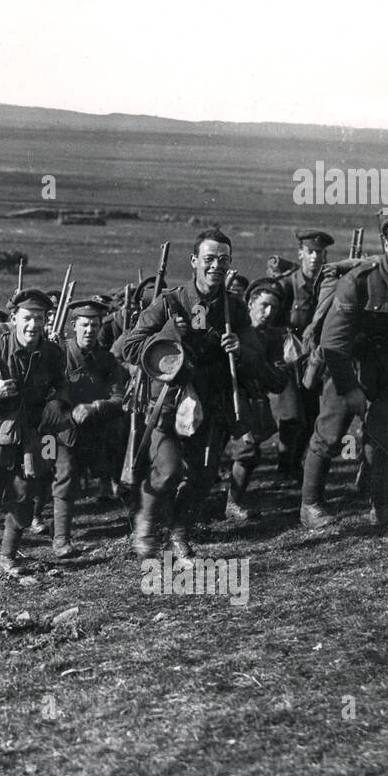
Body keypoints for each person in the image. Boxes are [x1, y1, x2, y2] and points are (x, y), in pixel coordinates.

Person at [116, 229, 260, 558]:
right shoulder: (169, 302)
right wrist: (168, 334)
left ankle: (179, 533)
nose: (216, 266)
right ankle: (146, 525)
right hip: (167, 403)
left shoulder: (234, 309)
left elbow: (255, 353)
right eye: (209, 259)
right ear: (195, 262)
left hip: (213, 404)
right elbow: (129, 346)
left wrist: (239, 350)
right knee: (166, 470)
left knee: (203, 475)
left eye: (223, 260)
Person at [299, 214, 388, 529]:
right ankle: (311, 505)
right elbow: (334, 342)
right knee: (329, 437)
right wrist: (349, 388)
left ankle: (381, 506)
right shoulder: (359, 280)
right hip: (348, 365)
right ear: (386, 244)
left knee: (387, 437)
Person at [0, 289, 69, 576]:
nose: (34, 325)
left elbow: (63, 386)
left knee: (25, 493)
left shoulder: (53, 352)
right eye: (28, 318)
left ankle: (7, 555)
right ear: (15, 318)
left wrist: (56, 401)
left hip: (35, 435)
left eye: (40, 319)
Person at [50, 298, 129, 557]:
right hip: (61, 430)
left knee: (115, 464)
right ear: (74, 326)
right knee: (65, 475)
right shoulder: (57, 355)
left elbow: (119, 398)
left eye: (94, 325)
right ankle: (61, 538)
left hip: (96, 429)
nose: (89, 331)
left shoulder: (106, 360)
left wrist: (95, 407)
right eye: (84, 325)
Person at [223, 278, 291, 520]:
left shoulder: (274, 339)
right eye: (263, 305)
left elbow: (279, 380)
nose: (269, 313)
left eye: (274, 307)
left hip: (248, 402)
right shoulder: (230, 326)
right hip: (221, 398)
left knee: (249, 452)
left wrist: (252, 361)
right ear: (250, 303)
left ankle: (233, 502)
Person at [273, 231, 334, 483]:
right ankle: (283, 467)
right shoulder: (286, 285)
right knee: (291, 416)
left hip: (313, 363)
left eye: (319, 253)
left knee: (310, 417)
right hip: (288, 362)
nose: (315, 257)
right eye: (310, 252)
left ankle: (295, 464)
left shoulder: (328, 285)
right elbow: (270, 323)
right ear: (300, 254)